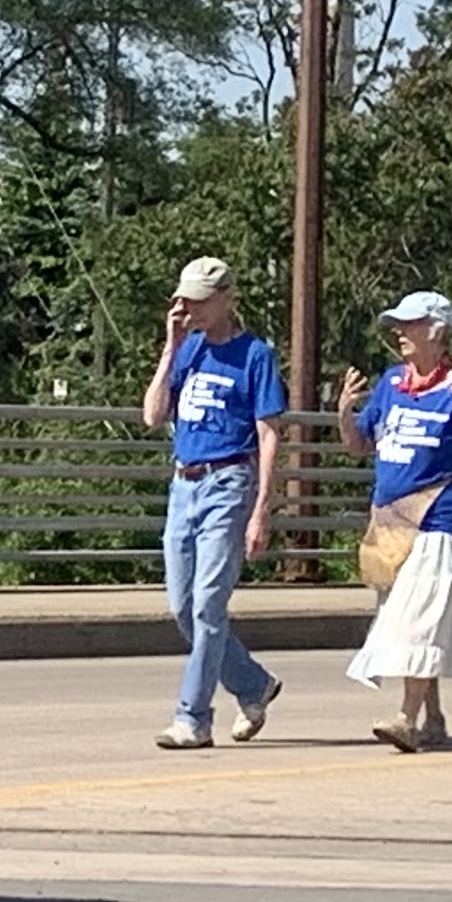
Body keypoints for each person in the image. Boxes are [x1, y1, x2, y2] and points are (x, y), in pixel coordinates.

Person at [336, 292, 452, 752]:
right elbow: (359, 445)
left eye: (408, 325)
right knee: (408, 618)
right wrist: (345, 414)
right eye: (397, 325)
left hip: (440, 519)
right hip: (391, 520)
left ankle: (407, 718)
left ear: (435, 330)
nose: (399, 334)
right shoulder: (392, 382)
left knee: (418, 622)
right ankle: (434, 717)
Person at [139, 257, 285, 750]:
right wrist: (170, 348)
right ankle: (253, 684)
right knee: (183, 606)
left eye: (200, 301)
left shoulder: (254, 355)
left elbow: (269, 435)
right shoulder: (188, 350)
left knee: (208, 606)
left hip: (228, 483)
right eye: (185, 300)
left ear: (226, 299)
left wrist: (262, 507)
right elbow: (153, 416)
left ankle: (192, 717)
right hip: (184, 484)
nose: (190, 309)